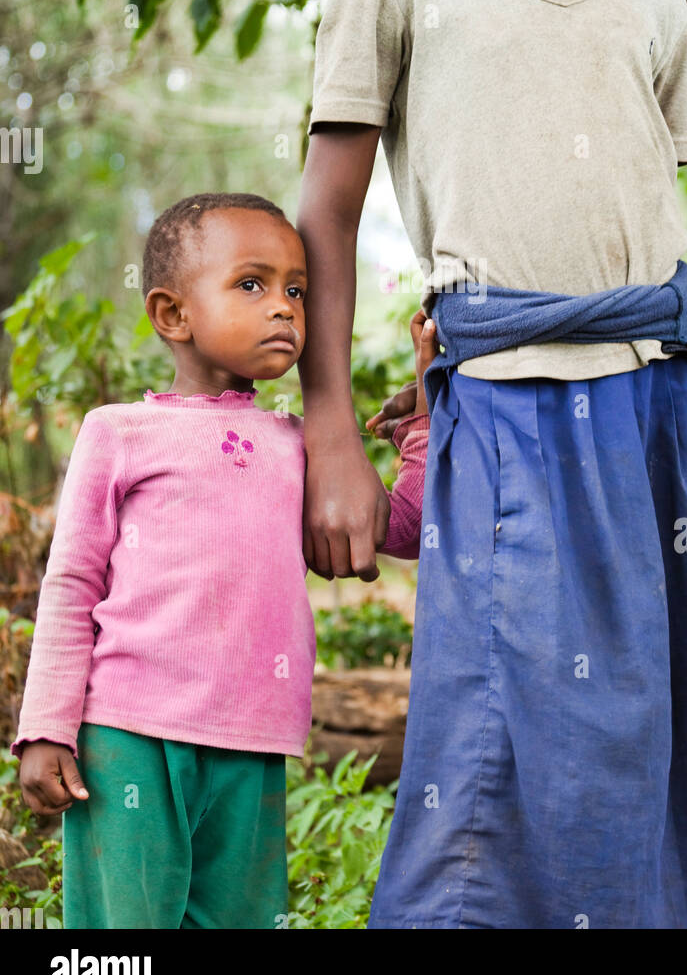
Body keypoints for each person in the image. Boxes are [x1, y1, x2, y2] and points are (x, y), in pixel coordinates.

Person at [296, 0, 687, 929]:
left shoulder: (652, 5)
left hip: (662, 402)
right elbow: (326, 215)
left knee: (678, 702)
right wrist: (332, 437)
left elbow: (619, 208)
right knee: (505, 709)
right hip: (511, 410)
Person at [11, 192, 433, 929]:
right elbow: (72, 583)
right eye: (252, 284)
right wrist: (47, 725)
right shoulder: (119, 432)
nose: (284, 309)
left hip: (252, 737)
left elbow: (402, 527)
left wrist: (425, 417)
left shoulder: (304, 447)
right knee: (123, 940)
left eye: (296, 290)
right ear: (172, 314)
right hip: (129, 734)